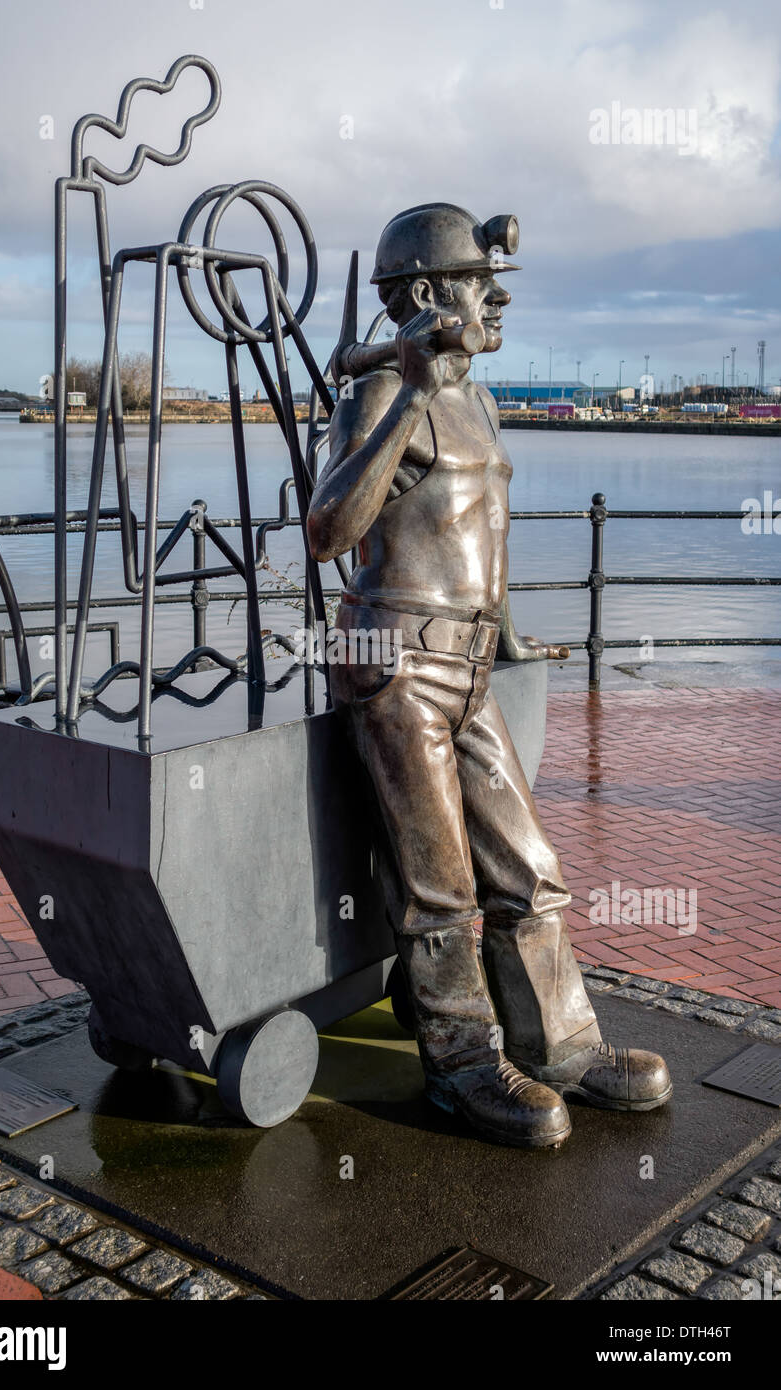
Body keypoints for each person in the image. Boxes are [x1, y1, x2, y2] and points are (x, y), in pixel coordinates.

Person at [307, 203, 671, 1149]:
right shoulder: (381, 393)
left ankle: (563, 1048)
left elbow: (484, 539)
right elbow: (326, 533)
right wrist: (415, 393)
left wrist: (507, 638)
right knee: (439, 886)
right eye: (478, 281)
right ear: (427, 295)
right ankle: (464, 1067)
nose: (497, 295)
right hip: (395, 661)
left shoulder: (483, 399)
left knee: (530, 867)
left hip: (465, 662)